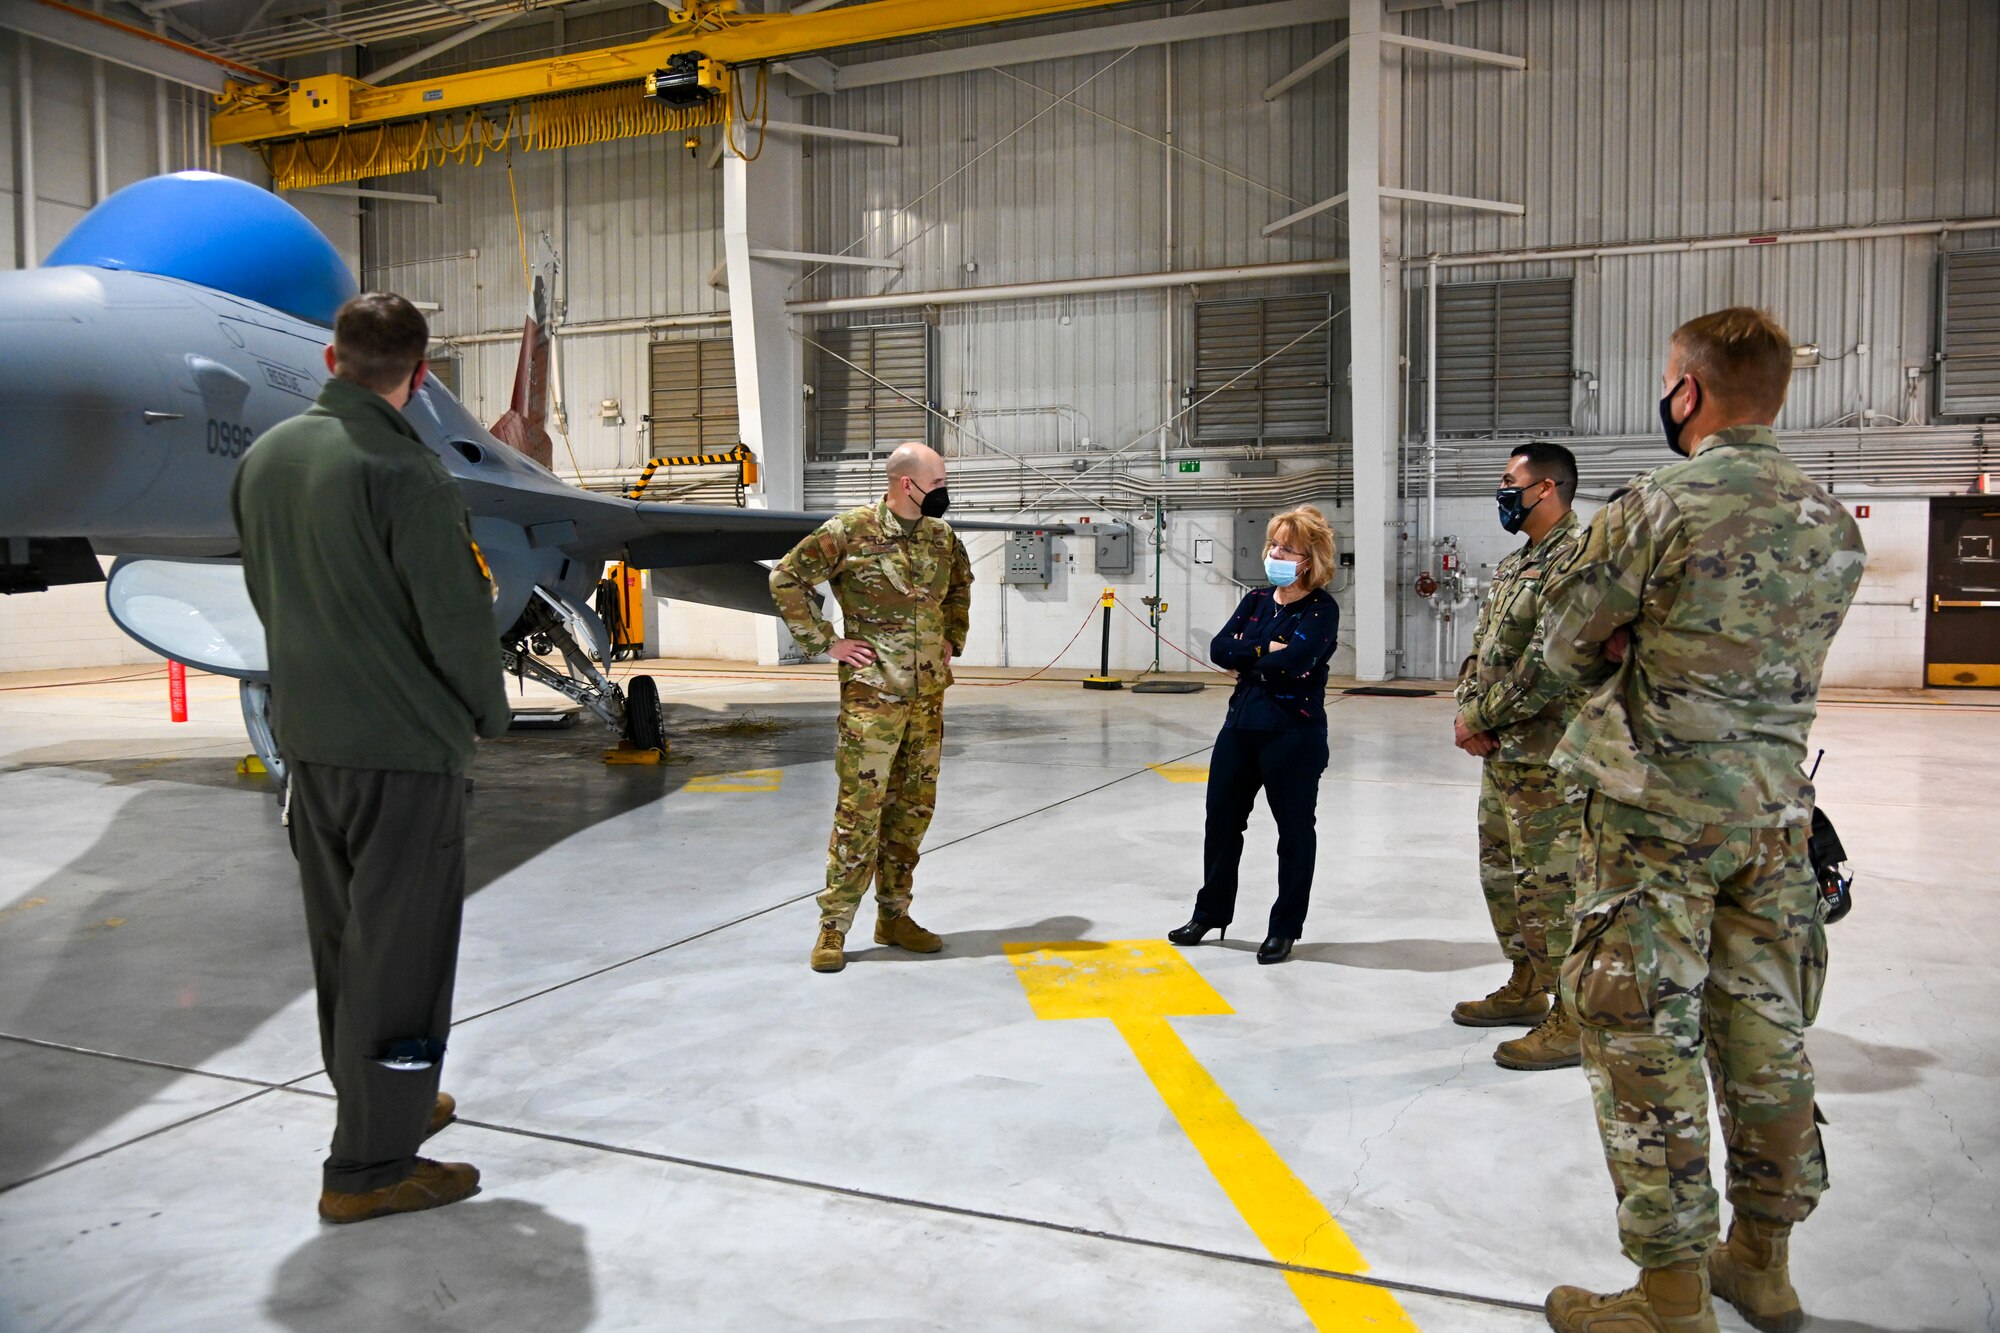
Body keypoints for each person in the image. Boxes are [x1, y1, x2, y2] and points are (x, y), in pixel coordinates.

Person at [1535, 308, 1864, 1333]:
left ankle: (1670, 1294)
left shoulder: (1655, 504)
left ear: (1688, 386)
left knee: (1645, 1040)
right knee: (1767, 1036)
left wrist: (1634, 640)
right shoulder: (1829, 520)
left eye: (1670, 379)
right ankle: (1759, 1265)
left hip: (1655, 818)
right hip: (1771, 815)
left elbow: (1562, 646)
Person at [232, 292, 512, 1224]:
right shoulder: (407, 472)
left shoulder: (264, 459)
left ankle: (382, 1100)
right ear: (420, 375)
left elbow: (271, 594)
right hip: (402, 756)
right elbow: (458, 623)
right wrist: (488, 713)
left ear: (330, 359)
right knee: (403, 959)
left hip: (311, 747)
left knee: (347, 947)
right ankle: (370, 1168)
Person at [770, 441, 973, 974]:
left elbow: (959, 590)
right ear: (907, 484)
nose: (944, 492)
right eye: (938, 483)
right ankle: (833, 926)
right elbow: (786, 578)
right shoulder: (850, 531)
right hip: (872, 700)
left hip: (927, 700)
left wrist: (953, 637)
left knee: (912, 813)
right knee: (859, 814)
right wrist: (824, 641)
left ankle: (894, 916)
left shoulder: (941, 537)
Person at [1450, 440, 1595, 1072]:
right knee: (1504, 878)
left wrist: (1477, 717)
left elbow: (1553, 667)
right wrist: (1466, 709)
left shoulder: (1578, 561)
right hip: (1503, 754)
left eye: (1512, 482)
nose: (1503, 492)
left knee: (1552, 888)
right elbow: (1481, 648)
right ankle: (1527, 982)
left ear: (1548, 489)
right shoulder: (1517, 564)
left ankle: (1573, 1015)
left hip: (1550, 758)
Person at [1167, 507, 1342, 964]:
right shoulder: (1256, 601)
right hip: (1240, 728)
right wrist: (1264, 650)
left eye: (1286, 547)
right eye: (1273, 545)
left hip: (1293, 733)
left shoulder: (1322, 609)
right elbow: (1218, 648)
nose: (1275, 553)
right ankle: (1210, 913)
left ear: (1310, 558)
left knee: (1294, 832)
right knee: (1221, 825)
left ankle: (1284, 928)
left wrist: (1250, 661)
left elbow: (1297, 661)